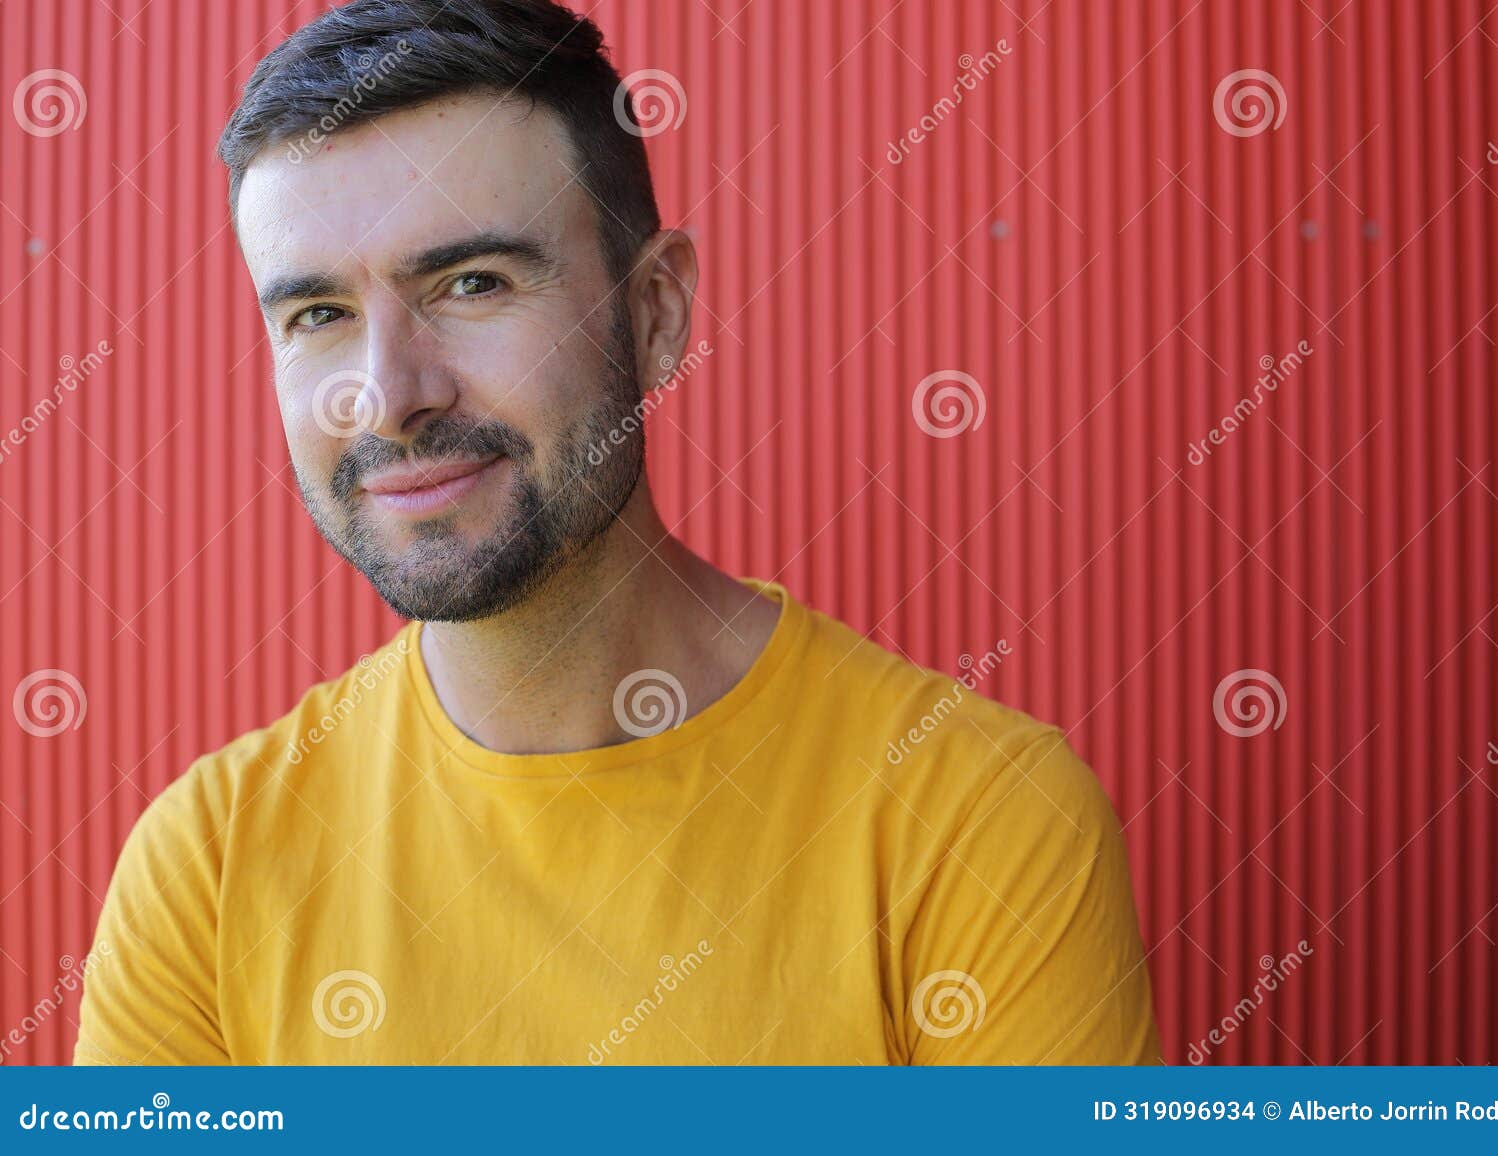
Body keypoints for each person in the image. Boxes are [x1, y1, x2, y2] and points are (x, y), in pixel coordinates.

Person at [75, 0, 1160, 1065]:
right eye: (319, 315)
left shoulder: (975, 821)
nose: (388, 397)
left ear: (656, 313)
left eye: (471, 284)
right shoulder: (206, 873)